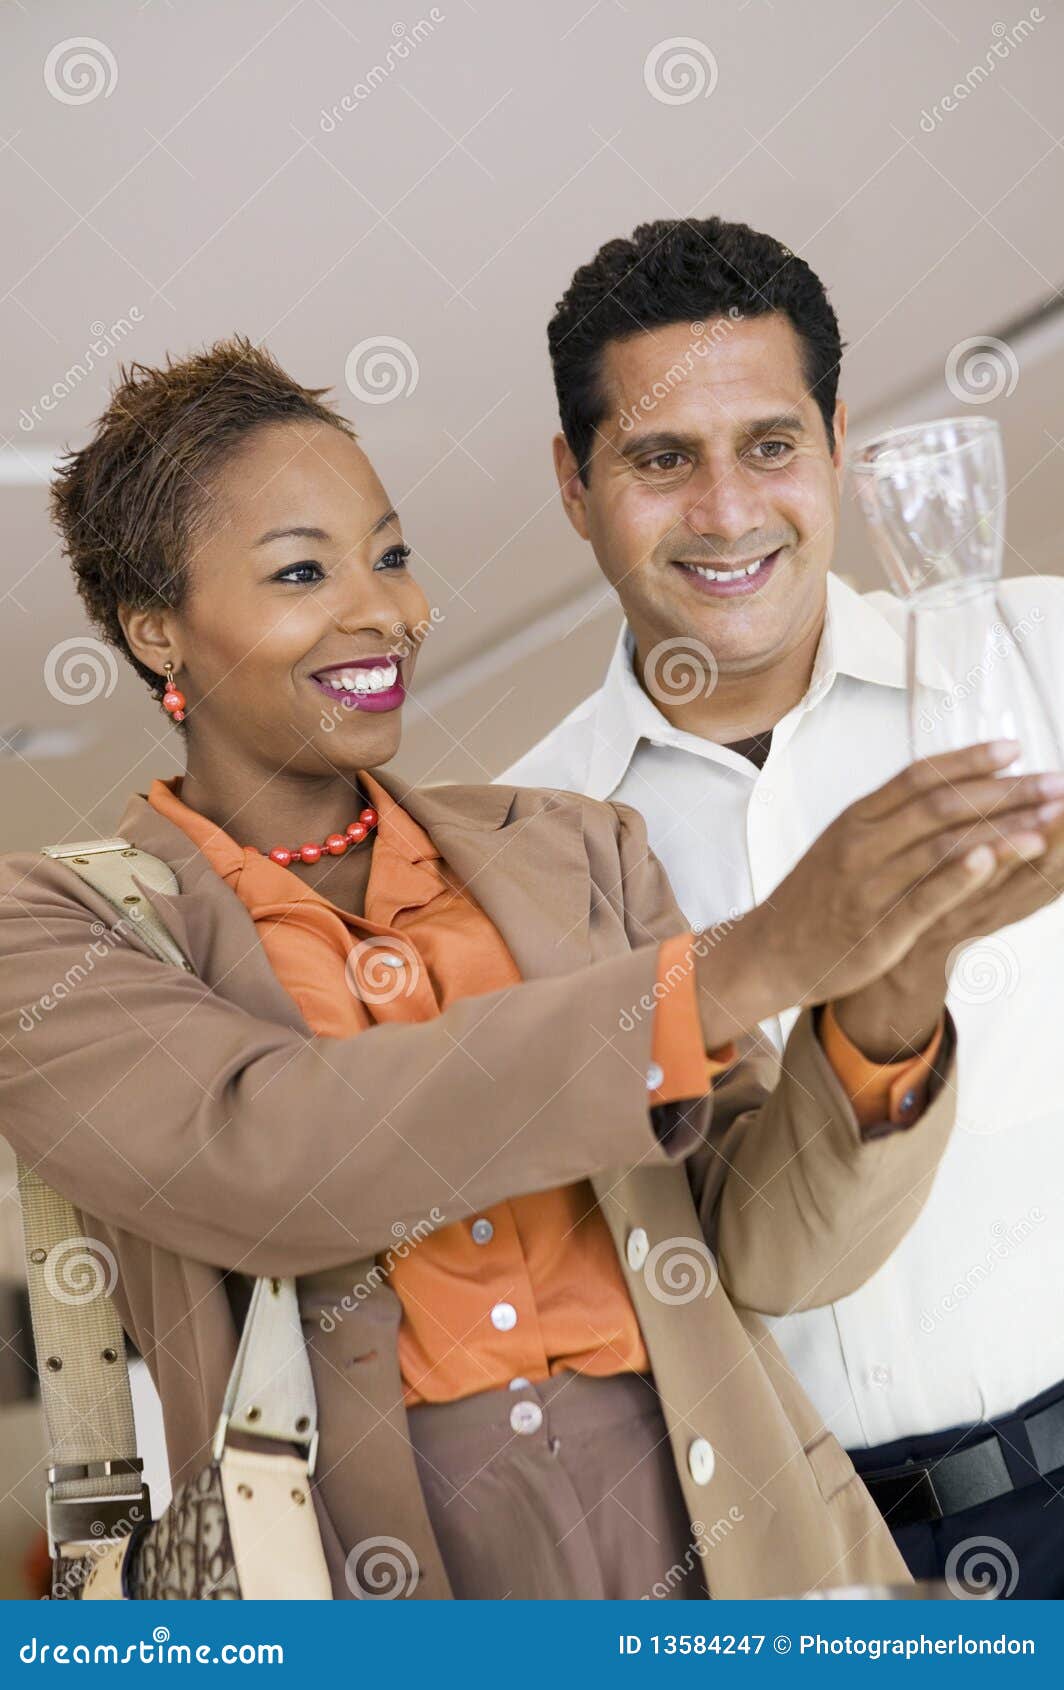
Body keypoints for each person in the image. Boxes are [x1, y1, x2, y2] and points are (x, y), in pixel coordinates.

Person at [0, 341, 1055, 1604]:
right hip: (389, 1571)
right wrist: (748, 960)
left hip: (729, 1542)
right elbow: (273, 1154)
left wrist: (897, 969)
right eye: (300, 571)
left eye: (389, 555)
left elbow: (771, 1257)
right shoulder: (62, 925)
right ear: (156, 628)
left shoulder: (571, 845)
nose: (381, 610)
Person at [503, 217, 1064, 1597]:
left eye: (768, 443)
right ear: (575, 485)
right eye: (658, 459)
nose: (728, 509)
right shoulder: (527, 840)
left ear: (835, 440)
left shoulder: (1040, 663)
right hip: (805, 1563)